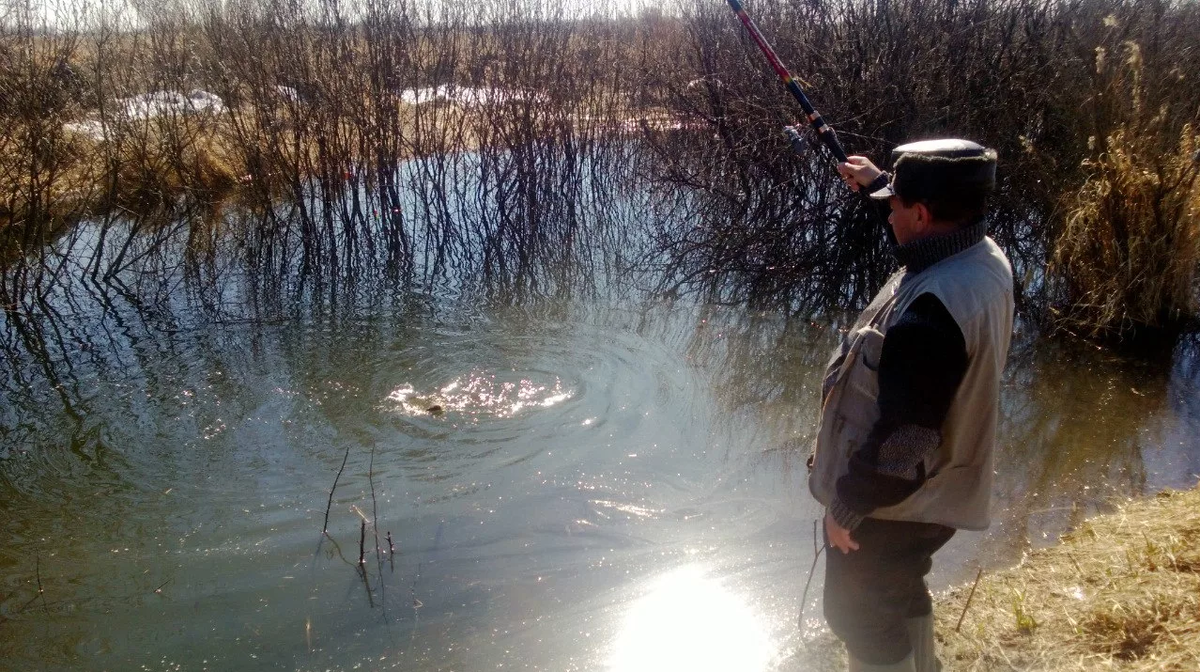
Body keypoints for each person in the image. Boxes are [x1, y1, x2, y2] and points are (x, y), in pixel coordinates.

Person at [808, 139, 1015, 672]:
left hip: (894, 506)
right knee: (898, 588)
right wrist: (880, 187)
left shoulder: (928, 320)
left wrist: (847, 507)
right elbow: (920, 233)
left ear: (922, 213)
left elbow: (906, 441)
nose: (890, 212)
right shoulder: (982, 256)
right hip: (939, 496)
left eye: (898, 204)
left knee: (857, 617)